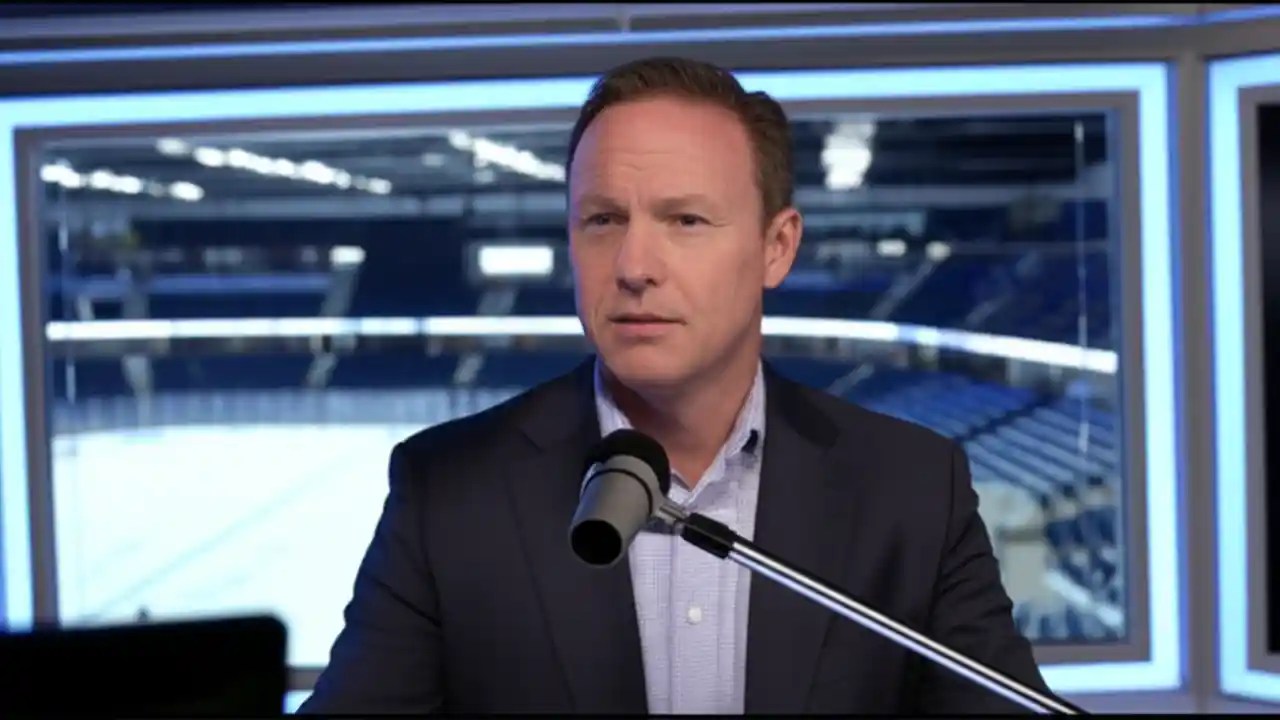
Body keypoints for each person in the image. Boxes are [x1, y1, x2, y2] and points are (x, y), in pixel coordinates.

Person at [300, 56, 1057, 715]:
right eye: (602, 219)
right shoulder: (449, 489)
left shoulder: (913, 489)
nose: (633, 264)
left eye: (685, 220)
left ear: (776, 247)